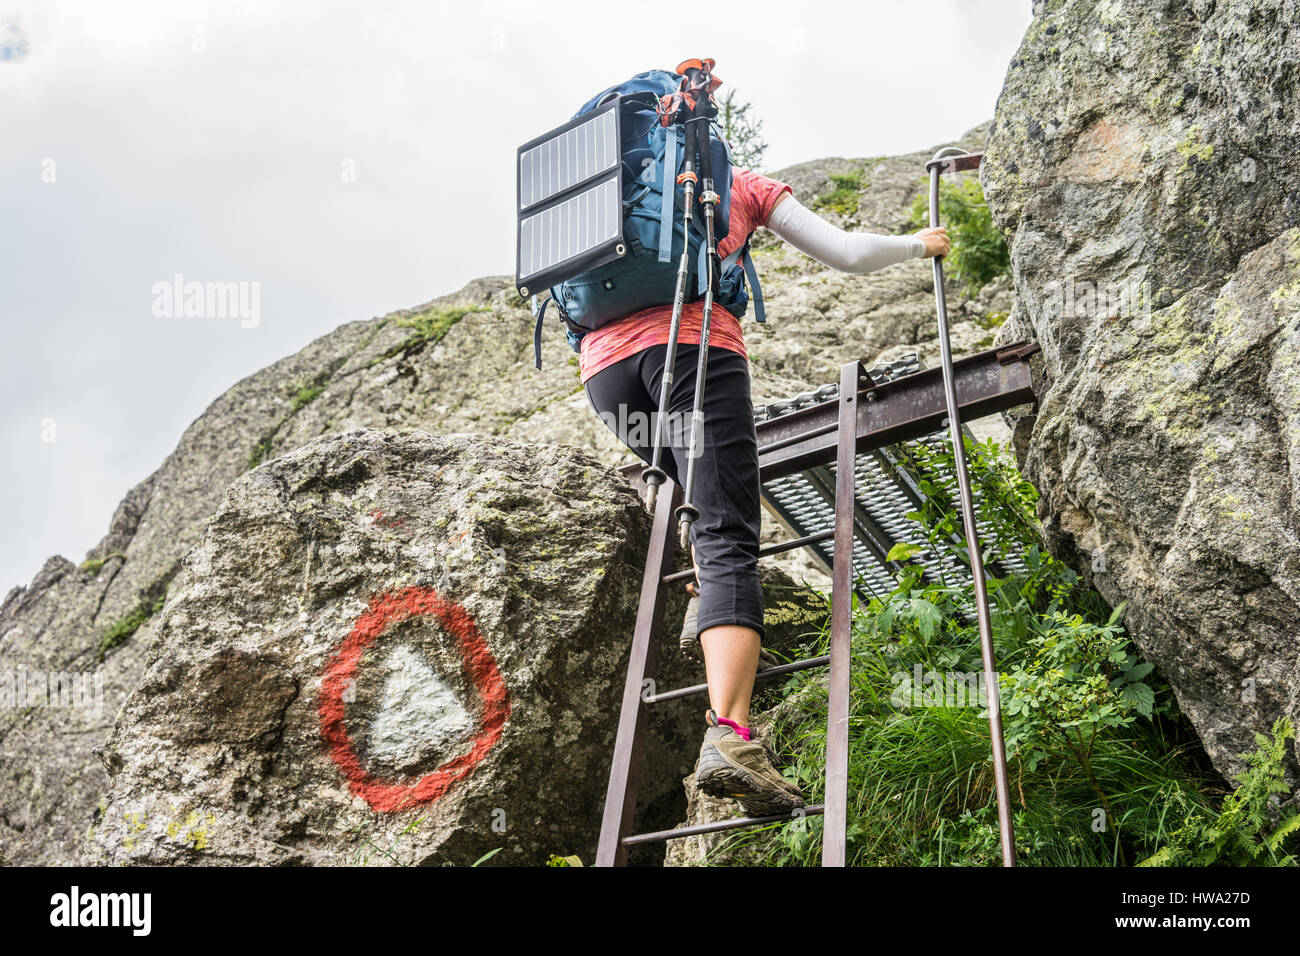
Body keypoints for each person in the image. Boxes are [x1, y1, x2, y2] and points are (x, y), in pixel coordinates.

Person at [580, 165, 951, 816]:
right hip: (692, 349)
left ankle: (708, 593)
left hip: (607, 378)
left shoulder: (611, 187)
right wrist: (922, 244)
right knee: (728, 536)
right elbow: (848, 251)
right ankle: (732, 737)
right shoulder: (736, 180)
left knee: (703, 508)